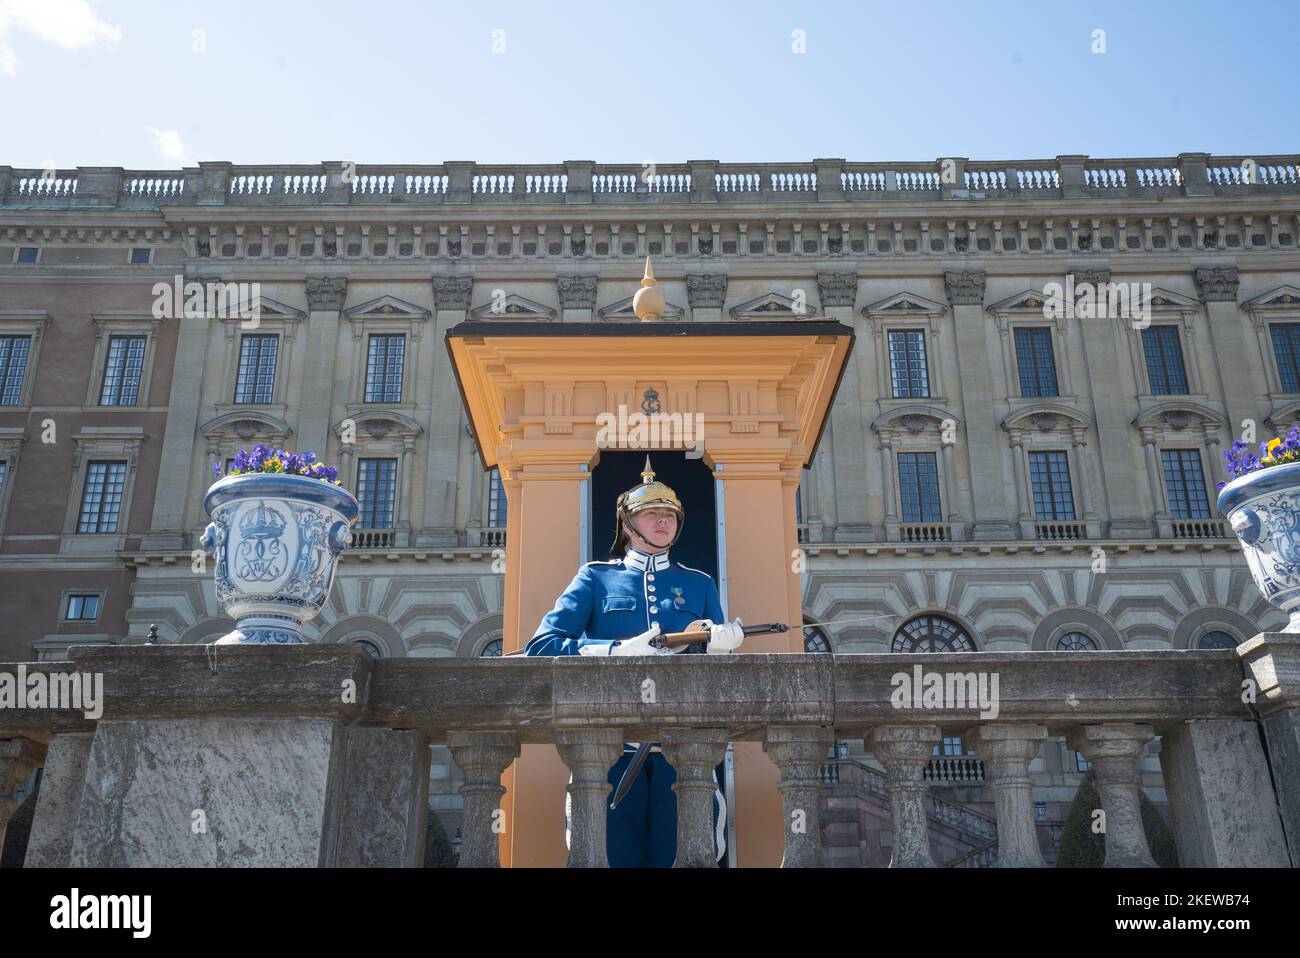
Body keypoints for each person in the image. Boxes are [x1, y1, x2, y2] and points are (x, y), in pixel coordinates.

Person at [526, 456, 744, 866]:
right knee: (609, 854)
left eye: (670, 514)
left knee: (685, 855)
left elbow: (716, 667)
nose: (664, 521)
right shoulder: (594, 578)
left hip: (683, 746)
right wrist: (615, 651)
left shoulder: (699, 583)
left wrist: (720, 646)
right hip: (610, 745)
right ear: (627, 526)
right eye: (651, 513)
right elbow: (543, 645)